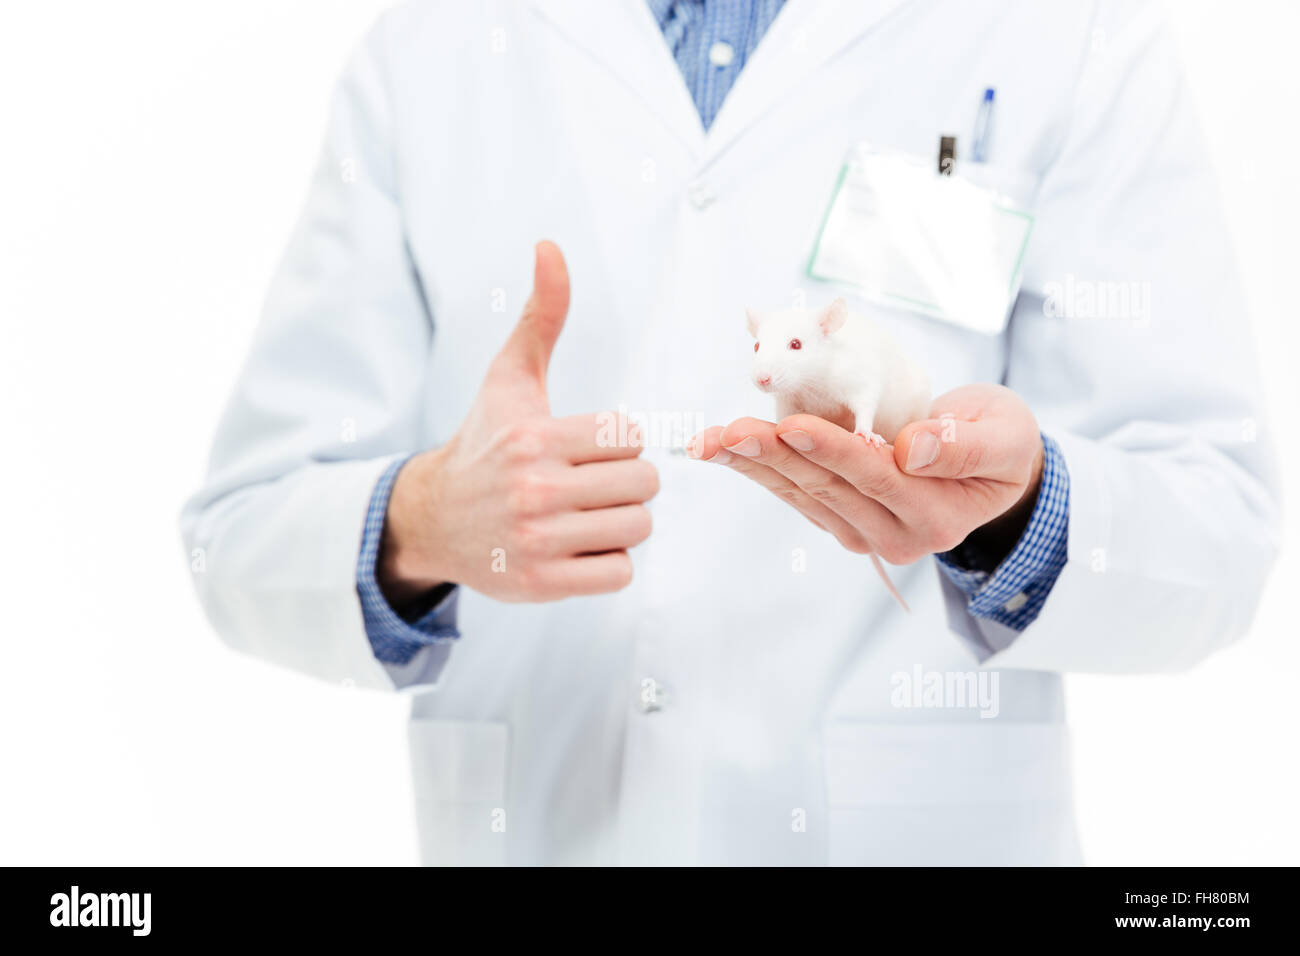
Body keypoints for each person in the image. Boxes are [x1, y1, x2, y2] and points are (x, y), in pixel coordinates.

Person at [181, 0, 1279, 865]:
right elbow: (242, 528)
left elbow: (1215, 525)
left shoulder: (1063, 29)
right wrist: (420, 519)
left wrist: (1016, 516)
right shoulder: (423, 55)